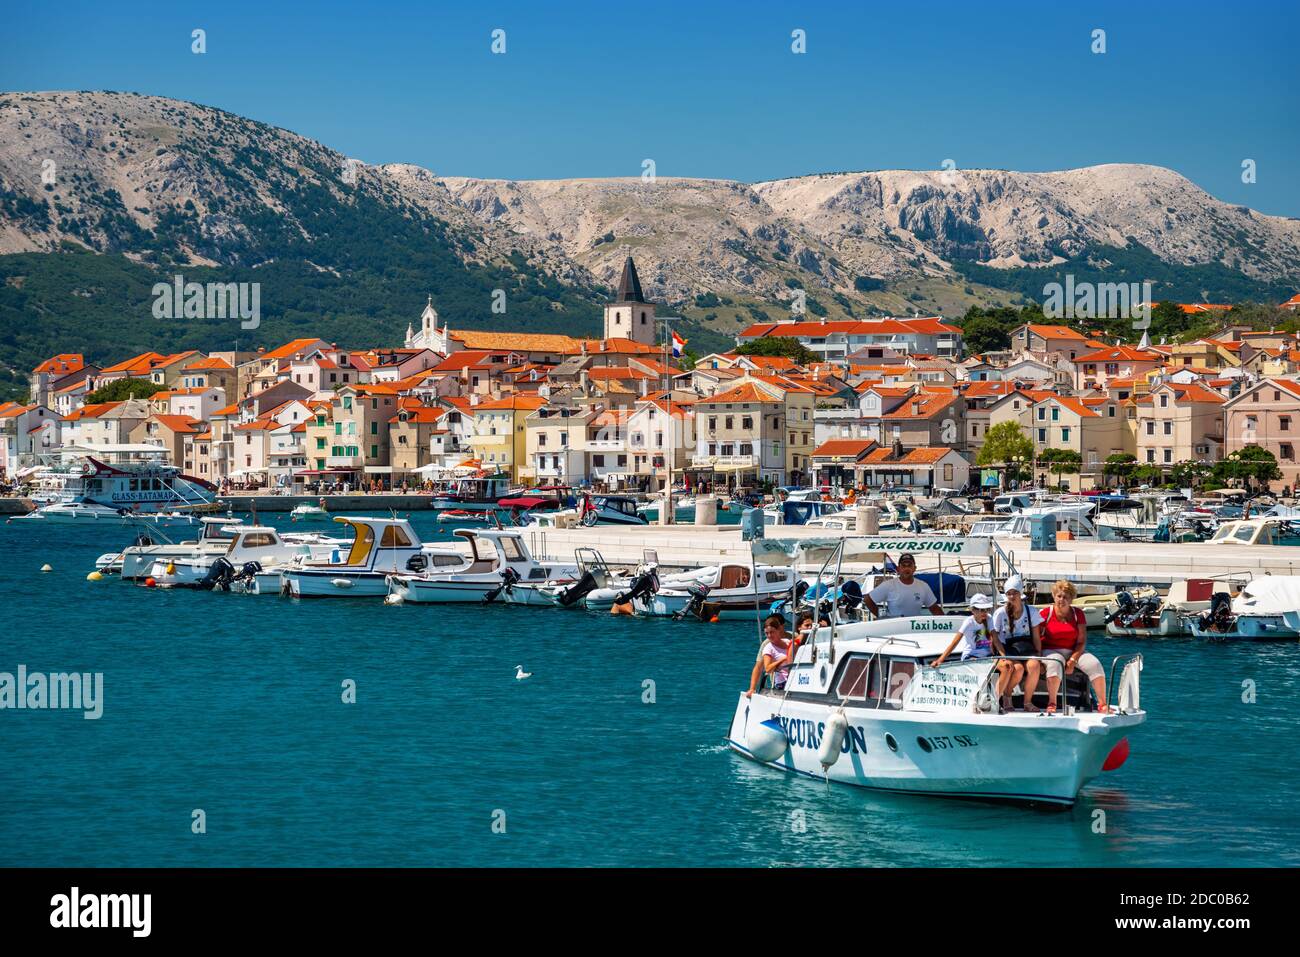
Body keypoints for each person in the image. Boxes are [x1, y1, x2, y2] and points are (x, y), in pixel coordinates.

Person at [931, 594, 1017, 710]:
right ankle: (978, 702)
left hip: (987, 657)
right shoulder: (968, 622)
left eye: (986, 609)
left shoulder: (989, 618)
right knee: (982, 667)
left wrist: (1004, 657)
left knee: (1008, 666)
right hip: (970, 657)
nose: (984, 612)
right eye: (981, 610)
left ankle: (993, 701)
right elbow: (954, 643)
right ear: (973, 610)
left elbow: (996, 640)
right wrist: (940, 660)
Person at [1038, 580, 1109, 714]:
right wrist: (1039, 659)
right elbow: (1036, 639)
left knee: (1094, 664)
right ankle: (1052, 702)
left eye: (1066, 597)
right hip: (1050, 650)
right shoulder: (1045, 613)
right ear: (1054, 596)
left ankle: (1102, 704)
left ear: (1071, 599)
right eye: (1059, 596)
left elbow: (1081, 641)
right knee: (1056, 663)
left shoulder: (1078, 614)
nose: (1062, 599)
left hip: (1074, 651)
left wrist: (1072, 660)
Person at [991, 575, 1043, 712]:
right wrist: (1000, 655)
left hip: (1026, 647)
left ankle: (1027, 702)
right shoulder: (1000, 613)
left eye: (1015, 593)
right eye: (1009, 594)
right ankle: (1007, 696)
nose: (1012, 596)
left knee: (1034, 665)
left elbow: (1036, 637)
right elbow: (994, 637)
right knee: (1018, 669)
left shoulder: (1031, 611)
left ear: (1021, 594)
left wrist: (1040, 656)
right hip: (1007, 648)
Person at [865, 553, 943, 619]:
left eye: (909, 565)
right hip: (895, 629)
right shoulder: (888, 585)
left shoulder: (923, 586)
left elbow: (934, 608)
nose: (906, 568)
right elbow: (868, 599)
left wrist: (947, 623)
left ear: (914, 568)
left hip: (915, 628)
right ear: (898, 569)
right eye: (904, 566)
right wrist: (881, 617)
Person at [746, 615, 795, 698]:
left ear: (780, 628)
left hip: (795, 678)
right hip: (781, 683)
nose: (769, 636)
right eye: (766, 633)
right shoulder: (767, 645)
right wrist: (752, 688)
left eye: (771, 632)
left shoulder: (791, 640)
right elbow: (760, 667)